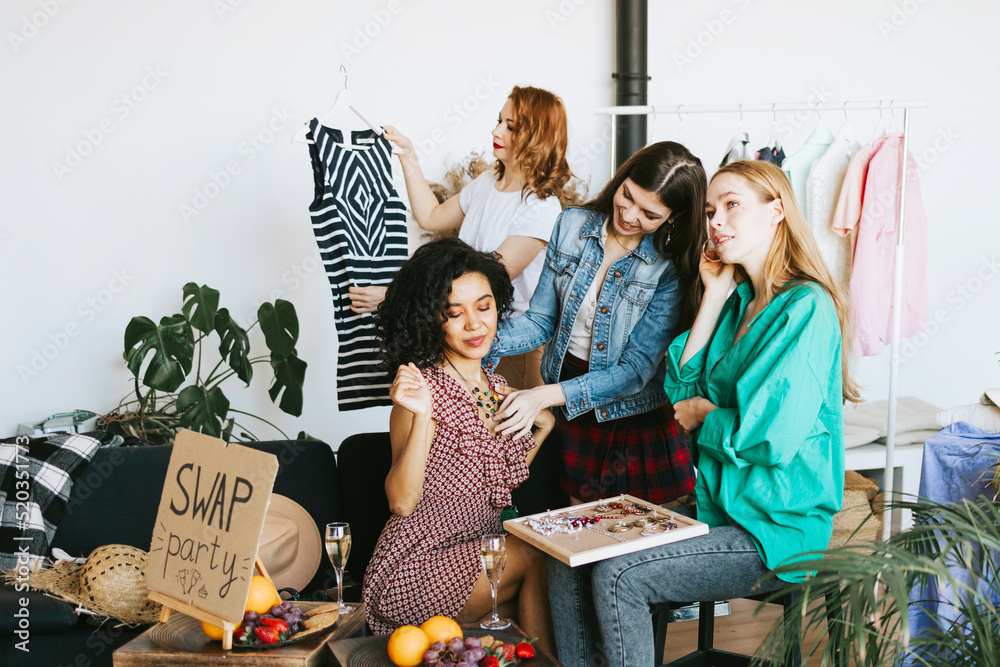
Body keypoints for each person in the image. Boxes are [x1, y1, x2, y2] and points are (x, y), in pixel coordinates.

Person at [546, 160, 861, 666]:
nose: (716, 221)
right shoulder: (737, 305)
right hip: (718, 507)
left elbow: (768, 438)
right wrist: (713, 298)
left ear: (776, 210)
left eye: (733, 205)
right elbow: (681, 396)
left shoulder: (807, 307)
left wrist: (705, 416)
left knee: (619, 573)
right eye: (712, 210)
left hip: (773, 530)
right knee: (568, 551)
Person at [483, 141, 708, 505]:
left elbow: (635, 371)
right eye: (627, 195)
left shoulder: (669, 266)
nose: (630, 214)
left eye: (649, 214)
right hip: (569, 399)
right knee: (577, 529)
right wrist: (479, 342)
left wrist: (543, 394)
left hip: (633, 414)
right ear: (622, 178)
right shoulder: (571, 225)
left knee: (635, 541)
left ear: (674, 218)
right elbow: (541, 320)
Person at [361, 238, 556, 649]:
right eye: (455, 313)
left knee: (533, 557)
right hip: (411, 571)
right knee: (532, 553)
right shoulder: (419, 390)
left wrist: (544, 422)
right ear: (432, 319)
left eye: (484, 307)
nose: (474, 324)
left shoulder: (497, 389)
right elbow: (401, 502)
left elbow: (500, 481)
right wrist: (424, 416)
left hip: (477, 557)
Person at [349, 85, 573, 391]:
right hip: (470, 338)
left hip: (511, 347)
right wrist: (409, 158)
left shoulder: (541, 207)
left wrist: (395, 295)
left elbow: (488, 281)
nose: (496, 130)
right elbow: (431, 216)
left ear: (535, 137)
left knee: (512, 435)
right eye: (499, 120)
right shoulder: (486, 183)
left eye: (510, 126)